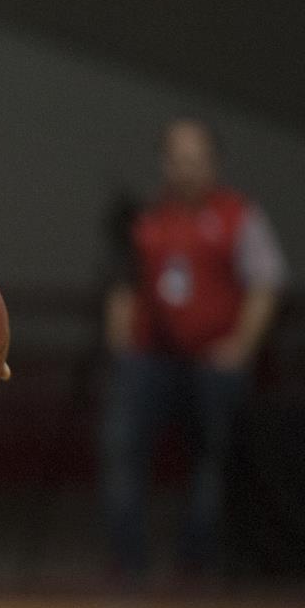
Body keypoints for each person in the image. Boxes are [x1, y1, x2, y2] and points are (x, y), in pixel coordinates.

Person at [101, 118, 284, 579]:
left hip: (212, 361)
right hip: (152, 358)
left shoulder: (239, 216)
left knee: (216, 459)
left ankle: (196, 567)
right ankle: (128, 566)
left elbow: (265, 284)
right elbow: (123, 286)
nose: (186, 169)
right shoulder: (147, 219)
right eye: (178, 159)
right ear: (165, 164)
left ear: (214, 164)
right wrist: (122, 347)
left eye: (196, 160)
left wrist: (240, 345)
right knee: (121, 446)